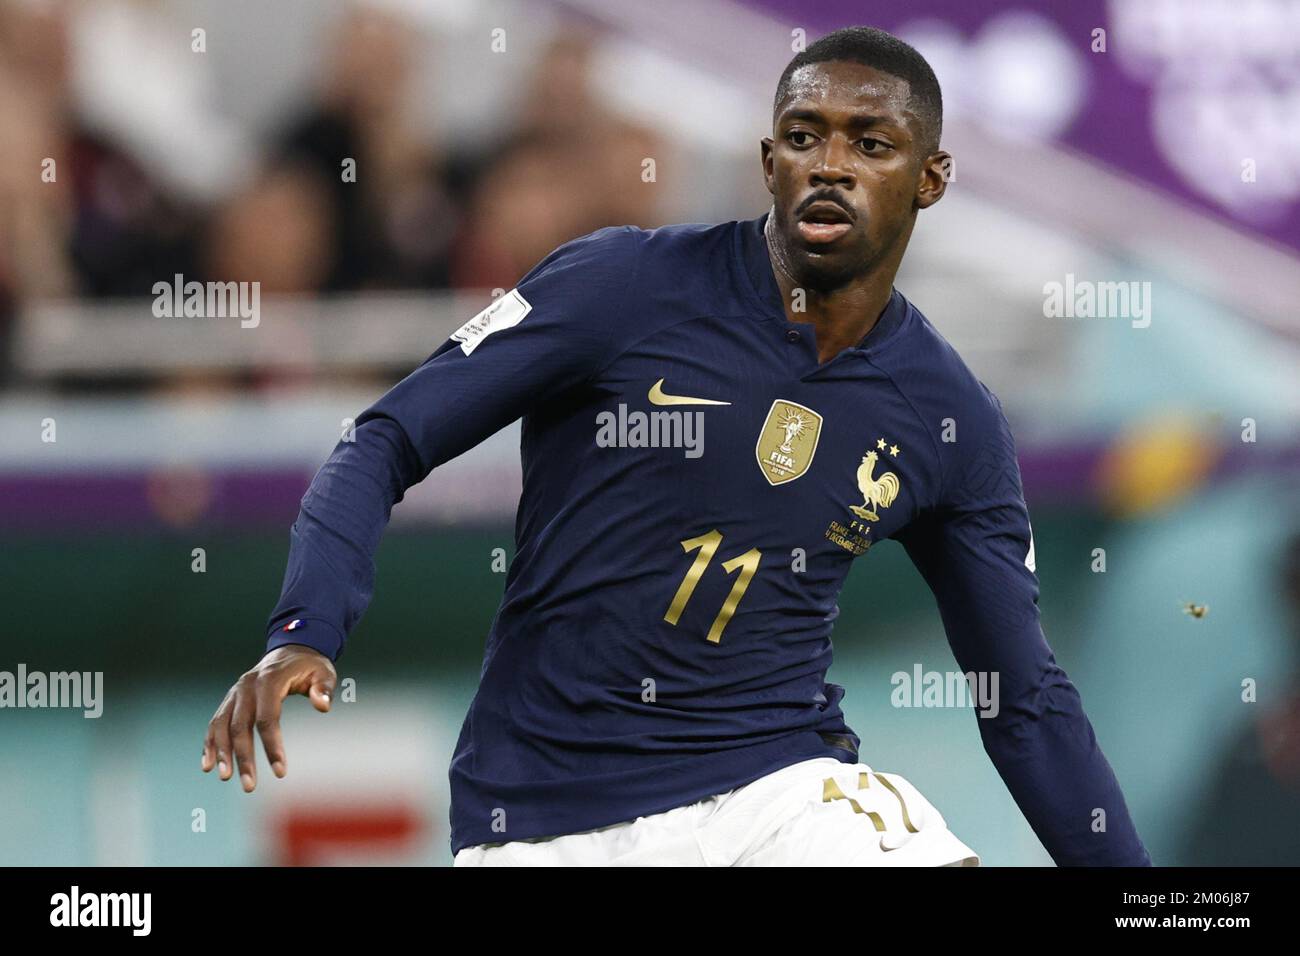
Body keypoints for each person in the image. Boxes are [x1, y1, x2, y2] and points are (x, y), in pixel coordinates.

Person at [202, 26, 1150, 866]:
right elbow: (384, 439)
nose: (832, 164)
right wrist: (304, 633)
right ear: (768, 158)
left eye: (871, 144)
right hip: (541, 816)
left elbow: (1023, 699)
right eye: (805, 135)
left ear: (929, 177)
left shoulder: (950, 419)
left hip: (774, 787)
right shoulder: (620, 286)